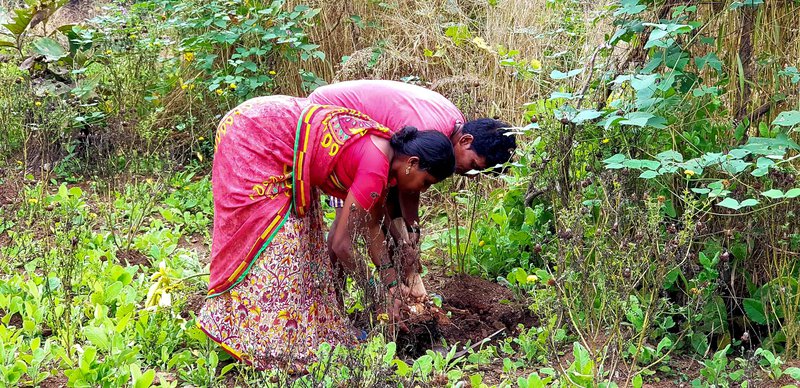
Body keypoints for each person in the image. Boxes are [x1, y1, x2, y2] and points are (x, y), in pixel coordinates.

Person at [197, 95, 456, 371]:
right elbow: (341, 244)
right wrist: (379, 294)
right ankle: (257, 342)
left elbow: (370, 227)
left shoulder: (383, 155)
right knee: (280, 248)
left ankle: (281, 336)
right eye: (426, 182)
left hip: (272, 132)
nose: (421, 190)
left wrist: (392, 285)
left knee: (304, 241)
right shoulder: (374, 168)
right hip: (254, 134)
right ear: (412, 163)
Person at [309, 80, 517, 296]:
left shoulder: (453, 125)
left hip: (350, 128)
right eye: (473, 165)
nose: (469, 173)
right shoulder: (427, 131)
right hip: (329, 120)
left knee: (375, 221)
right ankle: (332, 298)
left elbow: (406, 188)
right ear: (466, 140)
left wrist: (410, 231)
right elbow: (399, 188)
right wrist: (402, 239)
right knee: (349, 223)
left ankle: (393, 292)